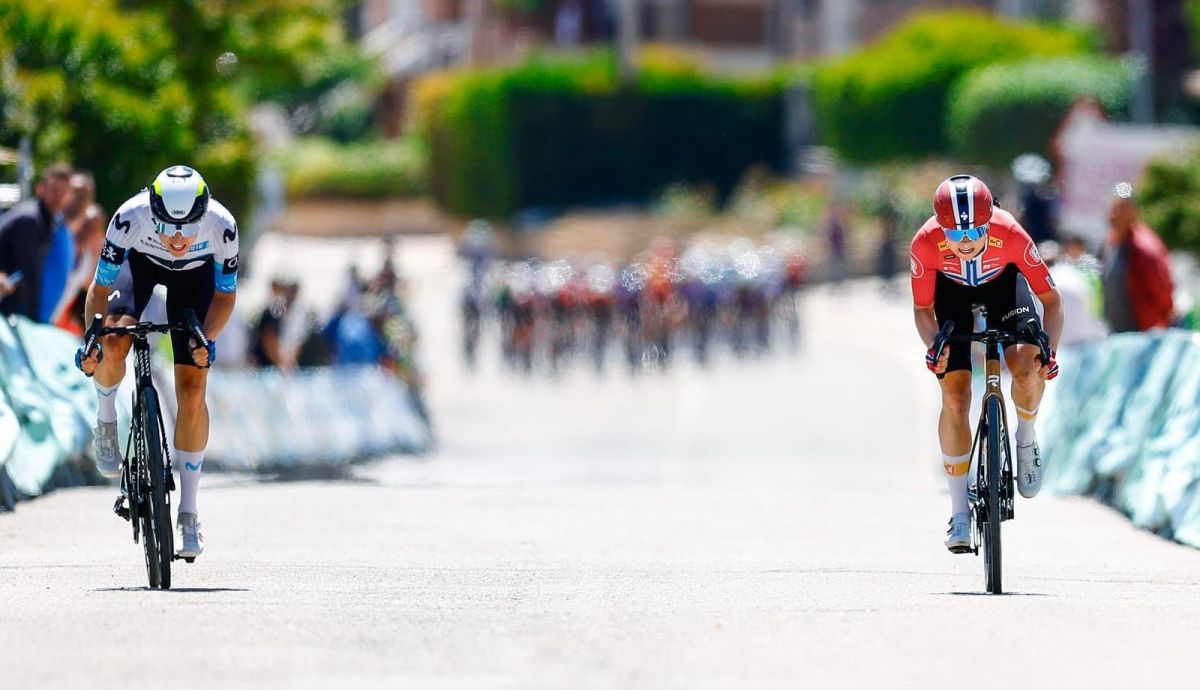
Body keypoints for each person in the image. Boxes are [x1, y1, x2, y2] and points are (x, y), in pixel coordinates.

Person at [75, 165, 239, 561]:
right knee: (113, 340)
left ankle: (188, 512)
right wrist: (93, 341)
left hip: (195, 281)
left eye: (188, 228)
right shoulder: (129, 218)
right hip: (139, 265)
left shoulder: (223, 227)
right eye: (168, 226)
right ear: (153, 210)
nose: (179, 238)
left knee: (193, 387)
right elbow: (99, 291)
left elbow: (225, 298)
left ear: (205, 212)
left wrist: (207, 342)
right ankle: (107, 415)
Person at [910, 174, 1063, 553]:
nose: (965, 243)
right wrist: (935, 346)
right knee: (956, 395)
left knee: (1028, 366)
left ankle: (1025, 437)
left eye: (975, 233)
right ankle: (959, 512)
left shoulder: (1009, 232)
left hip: (1003, 287)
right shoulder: (925, 243)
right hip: (951, 296)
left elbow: (1052, 302)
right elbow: (922, 309)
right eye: (955, 235)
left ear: (989, 219)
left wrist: (1050, 352)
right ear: (940, 228)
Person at [0, 163, 74, 320]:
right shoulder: (31, 219)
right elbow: (29, 271)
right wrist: (34, 319)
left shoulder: (49, 221)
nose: (58, 197)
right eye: (54, 191)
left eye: (63, 192)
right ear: (41, 189)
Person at [1101, 183, 1174, 333]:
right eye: (1113, 208)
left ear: (1134, 213)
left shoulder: (1146, 250)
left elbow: (1163, 296)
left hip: (1141, 337)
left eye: (1121, 209)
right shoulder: (1110, 244)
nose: (1114, 215)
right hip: (1115, 334)